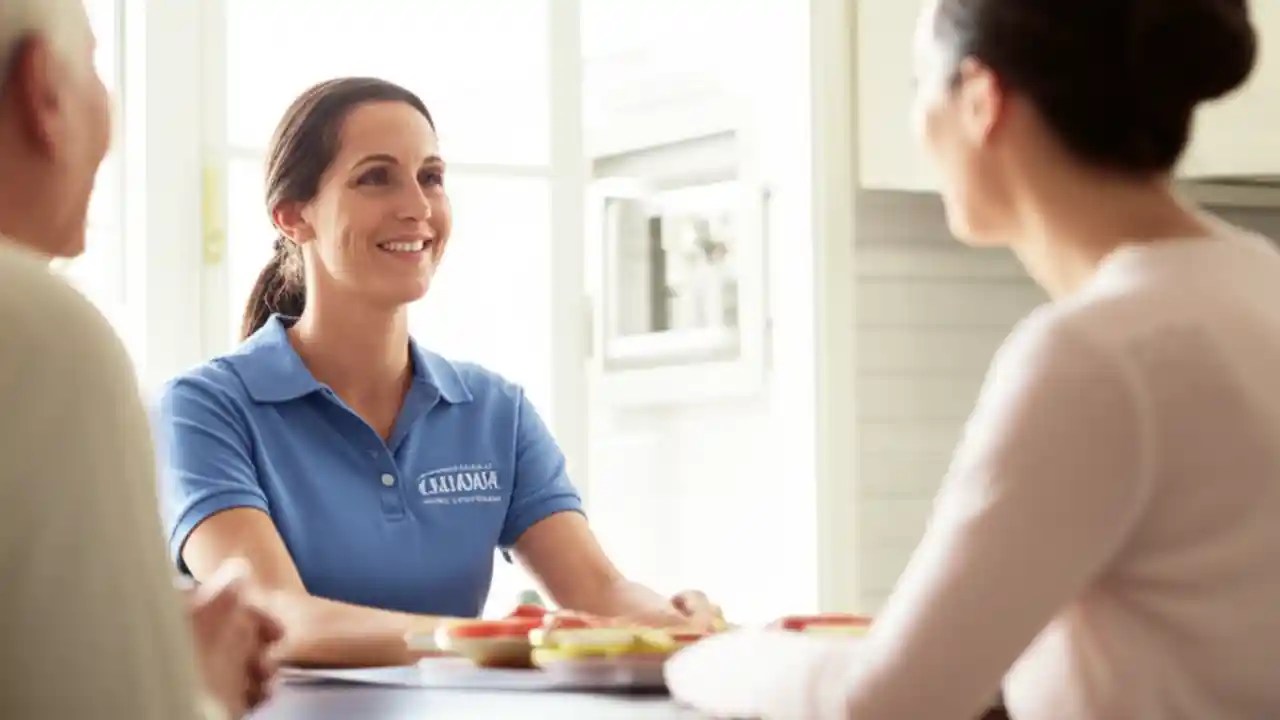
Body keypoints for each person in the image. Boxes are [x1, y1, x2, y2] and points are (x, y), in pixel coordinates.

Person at [666, 0, 1280, 718]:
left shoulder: (1093, 354)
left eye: (919, 85)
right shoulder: (1257, 287)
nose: (917, 123)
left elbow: (889, 703)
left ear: (982, 100)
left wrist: (698, 655)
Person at [158, 77, 721, 668]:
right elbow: (278, 617)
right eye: (376, 177)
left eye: (430, 177)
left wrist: (682, 627)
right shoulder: (203, 408)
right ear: (293, 216)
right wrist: (497, 638)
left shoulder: (493, 410)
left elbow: (601, 592)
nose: (418, 208)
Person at [0, 1, 281, 718]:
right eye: (95, 64)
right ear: (44, 93)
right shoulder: (40, 331)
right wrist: (197, 688)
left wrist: (134, 649)